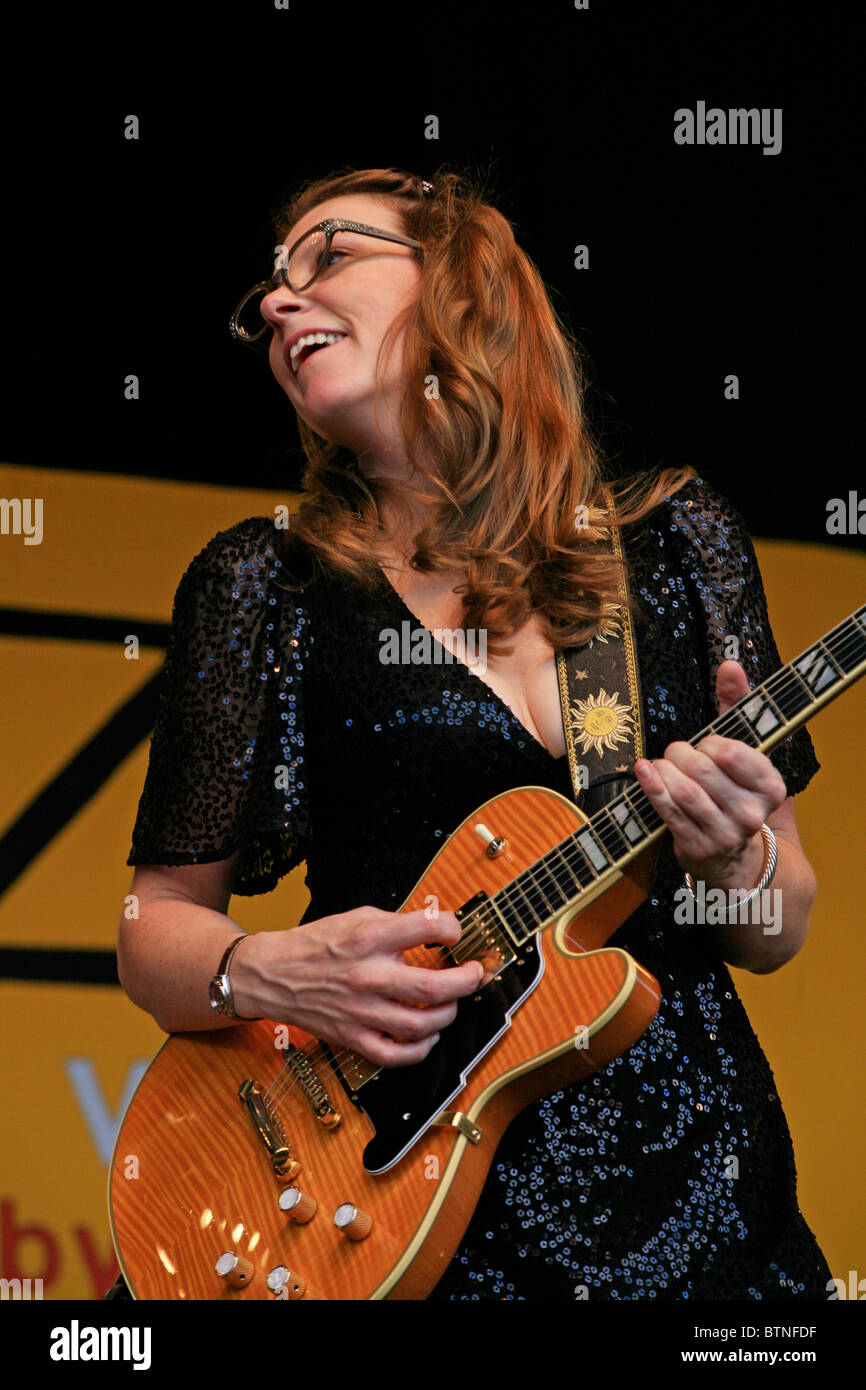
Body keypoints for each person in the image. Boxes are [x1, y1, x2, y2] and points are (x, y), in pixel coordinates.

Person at [115, 166, 832, 1301]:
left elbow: (773, 922)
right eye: (267, 296)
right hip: (398, 1196)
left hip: (698, 1199)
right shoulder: (267, 585)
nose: (278, 307)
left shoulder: (671, 544)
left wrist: (733, 858)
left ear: (464, 282)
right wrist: (258, 971)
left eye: (329, 257)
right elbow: (152, 925)